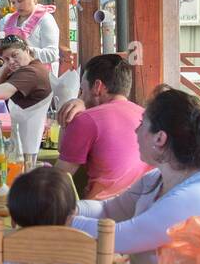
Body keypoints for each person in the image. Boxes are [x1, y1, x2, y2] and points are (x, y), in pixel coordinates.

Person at [69, 87, 200, 264]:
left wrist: (60, 219)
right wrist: (66, 209)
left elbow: (121, 237)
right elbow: (109, 210)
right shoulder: (157, 178)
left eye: (142, 124)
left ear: (160, 138)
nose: (136, 132)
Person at [53, 54, 151, 199]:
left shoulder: (86, 119)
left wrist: (78, 106)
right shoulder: (147, 116)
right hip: (146, 208)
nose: (81, 94)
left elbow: (57, 179)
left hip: (103, 213)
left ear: (97, 86)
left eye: (82, 89)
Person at [0, 35, 52, 110]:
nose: (11, 61)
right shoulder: (33, 66)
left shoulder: (30, 72)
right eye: (6, 59)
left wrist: (8, 63)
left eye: (15, 55)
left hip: (32, 119)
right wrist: (6, 66)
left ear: (27, 50)